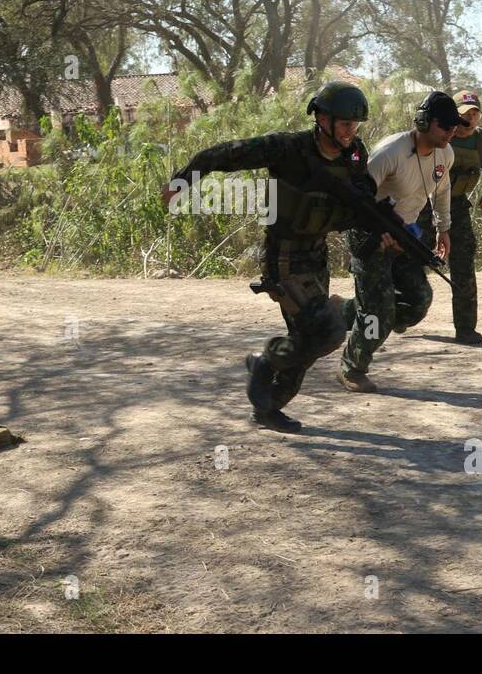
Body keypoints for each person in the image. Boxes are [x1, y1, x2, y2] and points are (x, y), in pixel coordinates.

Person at [160, 82, 375, 433]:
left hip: (318, 258)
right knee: (329, 331)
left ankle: (268, 406)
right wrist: (183, 181)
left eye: (355, 125)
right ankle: (264, 361)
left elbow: (364, 196)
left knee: (306, 341)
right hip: (284, 259)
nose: (351, 132)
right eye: (345, 124)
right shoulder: (287, 149)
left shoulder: (354, 156)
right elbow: (221, 154)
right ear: (322, 119)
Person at [338, 90, 463, 391]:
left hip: (405, 235)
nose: (451, 132)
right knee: (379, 313)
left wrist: (443, 229)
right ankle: (351, 367)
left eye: (454, 126)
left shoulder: (445, 154)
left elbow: (443, 191)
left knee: (419, 301)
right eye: (445, 126)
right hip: (371, 235)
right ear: (425, 123)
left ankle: (342, 311)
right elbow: (356, 199)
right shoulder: (390, 153)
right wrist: (378, 233)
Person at [446, 91, 482, 344]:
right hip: (422, 208)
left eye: (474, 114)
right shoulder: (441, 137)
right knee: (408, 266)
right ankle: (396, 314)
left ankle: (466, 329)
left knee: (463, 266)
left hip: (457, 208)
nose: (469, 119)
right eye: (464, 114)